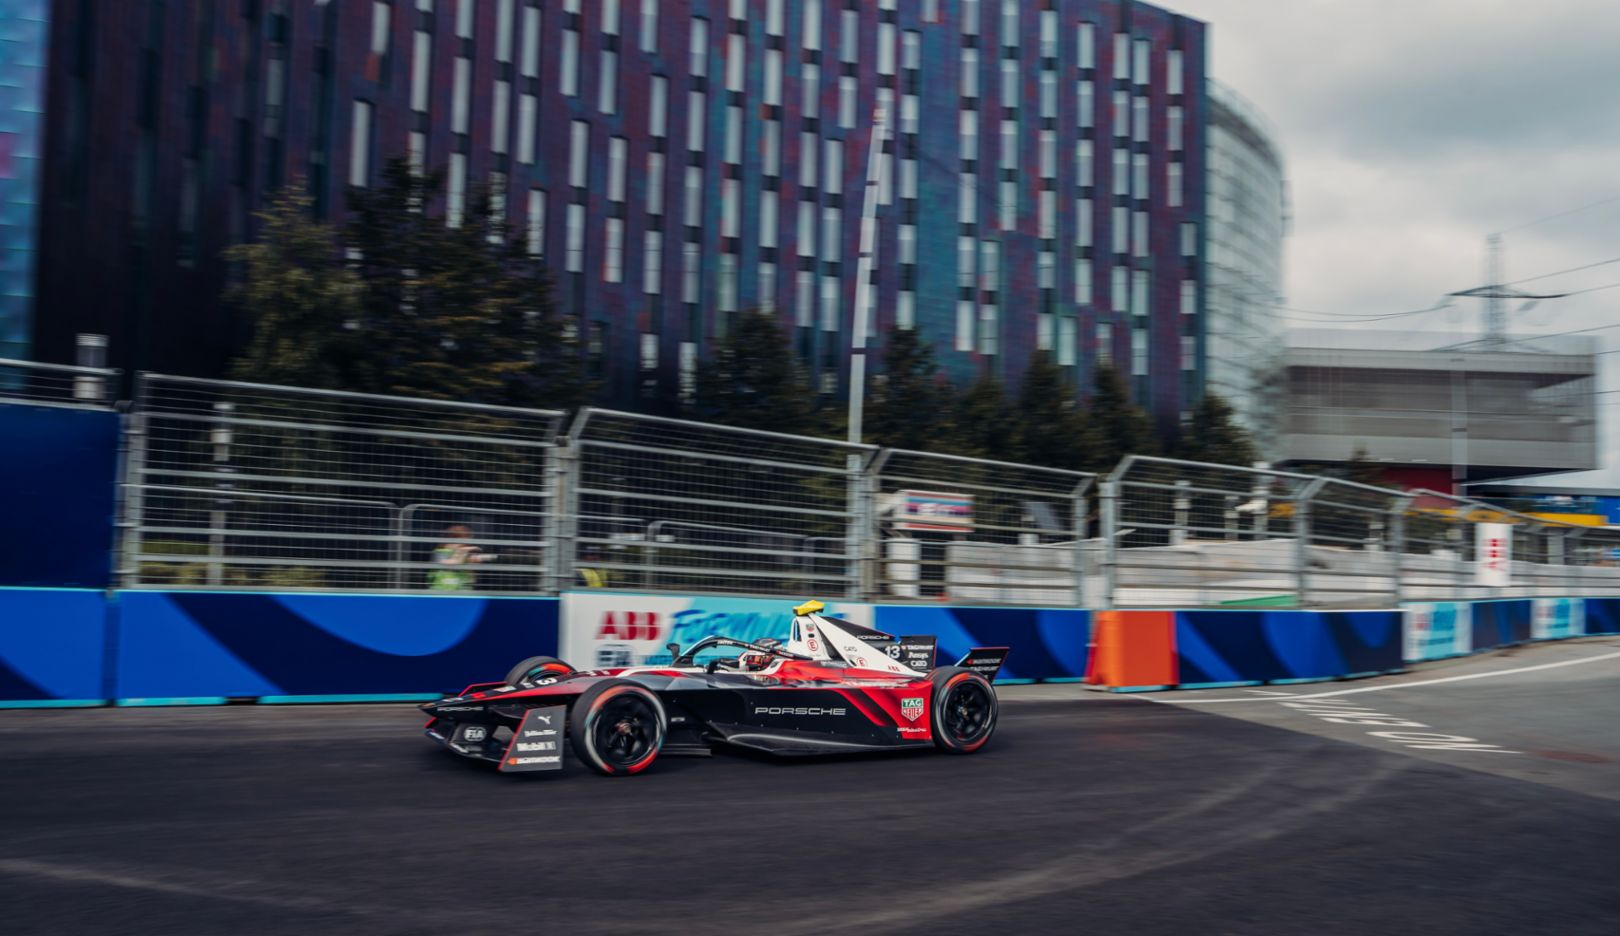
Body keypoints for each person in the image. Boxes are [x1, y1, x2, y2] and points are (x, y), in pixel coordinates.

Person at [429, 524, 493, 591]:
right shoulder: (440, 551)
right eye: (466, 539)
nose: (468, 544)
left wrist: (472, 565)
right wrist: (462, 551)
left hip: (462, 591)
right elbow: (451, 563)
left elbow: (472, 578)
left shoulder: (465, 553)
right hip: (442, 590)